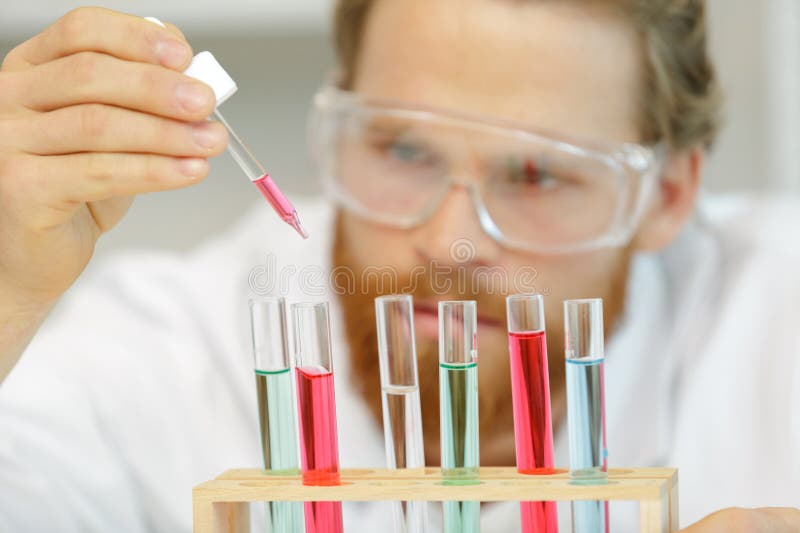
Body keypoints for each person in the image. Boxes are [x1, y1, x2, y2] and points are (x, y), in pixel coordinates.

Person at [0, 1, 798, 531]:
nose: (450, 242)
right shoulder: (176, 344)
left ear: (667, 195)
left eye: (536, 175)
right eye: (405, 150)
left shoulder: (776, 319)